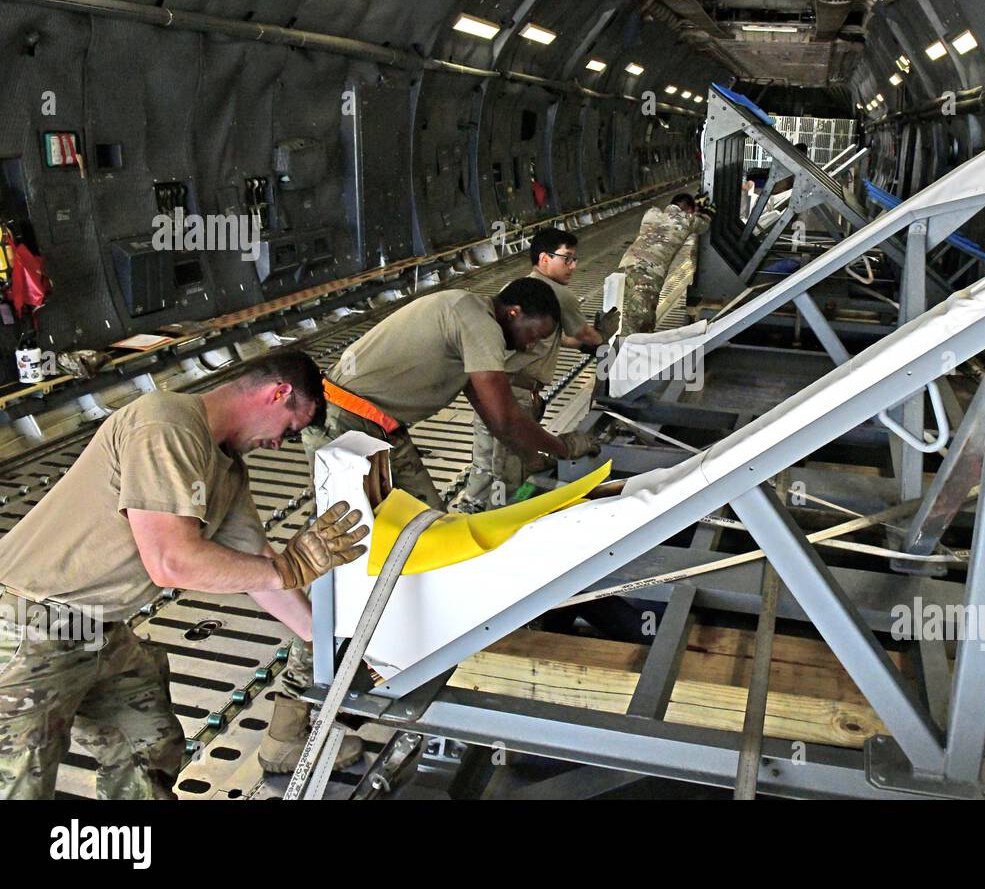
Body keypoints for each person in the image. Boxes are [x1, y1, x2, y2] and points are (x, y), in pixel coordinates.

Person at [265, 278, 602, 772]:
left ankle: (405, 646)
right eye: (535, 332)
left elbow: (495, 414)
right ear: (511, 312)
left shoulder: (467, 320)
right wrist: (564, 447)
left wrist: (531, 442)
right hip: (349, 426)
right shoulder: (476, 318)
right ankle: (291, 722)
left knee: (424, 531)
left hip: (374, 427)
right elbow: (505, 423)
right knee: (342, 555)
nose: (533, 344)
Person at [0, 351, 366, 799]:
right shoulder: (167, 423)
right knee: (19, 779)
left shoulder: (226, 469)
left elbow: (254, 564)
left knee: (149, 742)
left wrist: (325, 643)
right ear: (278, 393)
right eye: (290, 429)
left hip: (95, 624)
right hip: (27, 620)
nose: (280, 443)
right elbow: (171, 560)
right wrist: (285, 570)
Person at [458, 228, 618, 512]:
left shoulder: (519, 287)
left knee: (501, 462)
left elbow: (553, 338)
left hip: (505, 388)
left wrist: (581, 347)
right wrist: (605, 339)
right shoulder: (559, 295)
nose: (573, 266)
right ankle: (476, 523)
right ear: (544, 258)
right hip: (512, 393)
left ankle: (496, 514)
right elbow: (585, 335)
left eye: (574, 259)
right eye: (566, 258)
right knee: (499, 466)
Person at [618, 193, 714, 335]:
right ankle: (626, 349)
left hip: (627, 264)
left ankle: (622, 341)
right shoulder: (685, 219)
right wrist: (706, 212)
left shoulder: (651, 213)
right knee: (641, 317)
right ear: (688, 210)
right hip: (648, 272)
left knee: (626, 309)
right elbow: (703, 226)